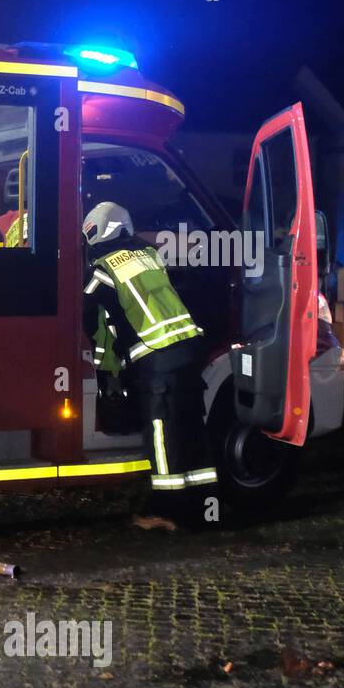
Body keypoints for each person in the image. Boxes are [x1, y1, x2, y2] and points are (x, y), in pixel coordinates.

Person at [81, 201, 218, 530]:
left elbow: (84, 310)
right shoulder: (151, 256)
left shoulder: (102, 269)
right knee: (191, 429)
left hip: (157, 357)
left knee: (162, 433)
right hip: (188, 350)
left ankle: (167, 510)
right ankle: (205, 507)